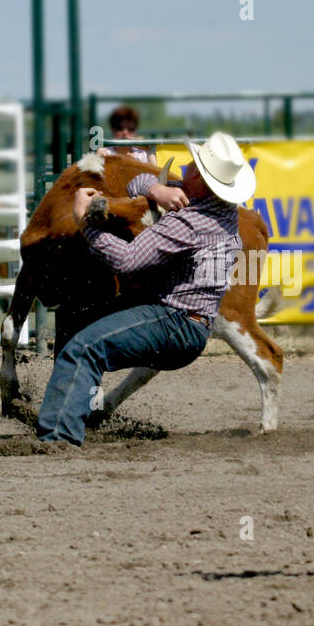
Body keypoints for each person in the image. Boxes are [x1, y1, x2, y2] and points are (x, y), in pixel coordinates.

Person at [35, 131, 254, 445]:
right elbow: (137, 184)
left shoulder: (191, 223)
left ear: (201, 181)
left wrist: (84, 222)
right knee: (75, 314)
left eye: (194, 166)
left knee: (86, 348)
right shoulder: (219, 208)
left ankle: (58, 439)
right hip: (183, 319)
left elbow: (127, 259)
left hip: (174, 320)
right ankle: (78, 411)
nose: (188, 166)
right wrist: (157, 189)